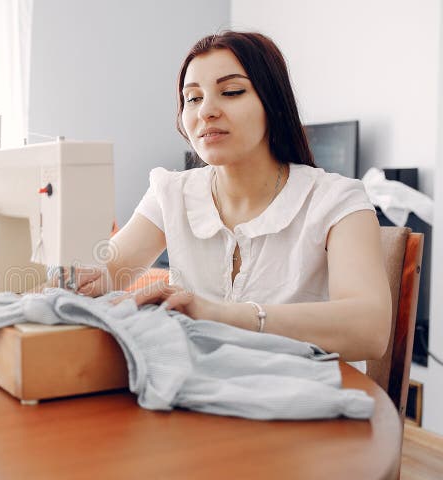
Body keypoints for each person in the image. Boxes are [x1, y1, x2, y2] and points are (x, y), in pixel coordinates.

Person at [64, 31, 391, 363]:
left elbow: (370, 331)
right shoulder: (171, 193)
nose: (206, 111)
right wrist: (80, 276)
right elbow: (107, 272)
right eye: (192, 98)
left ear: (272, 102)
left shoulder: (338, 201)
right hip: (198, 392)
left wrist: (219, 315)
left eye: (231, 91)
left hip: (301, 400)